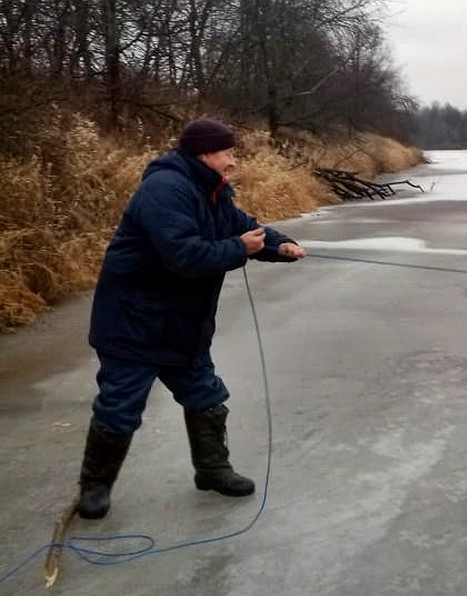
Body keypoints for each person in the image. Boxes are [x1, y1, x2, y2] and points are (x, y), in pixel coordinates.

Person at [77, 117, 306, 519]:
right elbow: (184, 256)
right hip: (134, 326)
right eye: (228, 153)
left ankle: (212, 471)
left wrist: (279, 245)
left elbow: (245, 229)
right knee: (120, 408)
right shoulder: (165, 190)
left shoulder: (212, 191)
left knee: (207, 398)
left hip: (182, 327)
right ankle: (94, 488)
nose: (234, 161)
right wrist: (240, 248)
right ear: (204, 153)